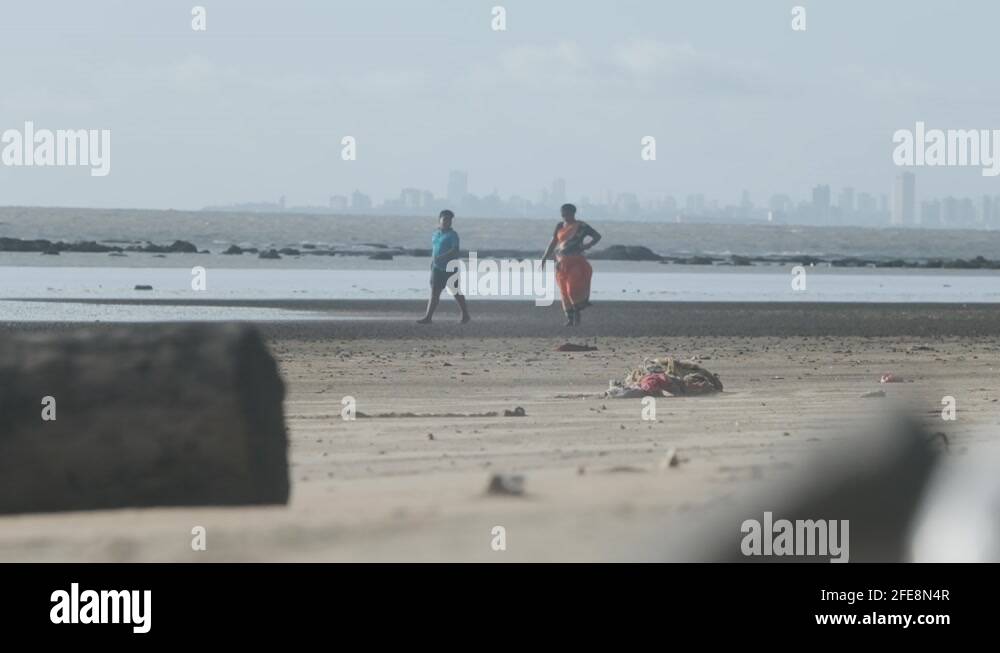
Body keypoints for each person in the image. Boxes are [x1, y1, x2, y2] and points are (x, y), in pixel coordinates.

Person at [542, 203, 601, 326]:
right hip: (561, 263)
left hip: (576, 261)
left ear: (573, 213)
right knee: (563, 291)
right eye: (562, 213)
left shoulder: (581, 226)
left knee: (572, 289)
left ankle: (577, 312)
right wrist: (544, 258)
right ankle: (570, 318)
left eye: (566, 213)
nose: (564, 215)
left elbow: (597, 236)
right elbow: (553, 243)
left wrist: (587, 245)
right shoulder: (559, 226)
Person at [417, 209, 471, 324]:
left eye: (450, 220)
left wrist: (442, 257)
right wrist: (433, 262)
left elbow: (455, 250)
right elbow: (434, 250)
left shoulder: (453, 235)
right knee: (434, 292)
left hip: (450, 267)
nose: (447, 221)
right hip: (437, 268)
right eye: (445, 219)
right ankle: (428, 317)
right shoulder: (435, 234)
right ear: (440, 220)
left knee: (455, 291)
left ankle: (465, 315)